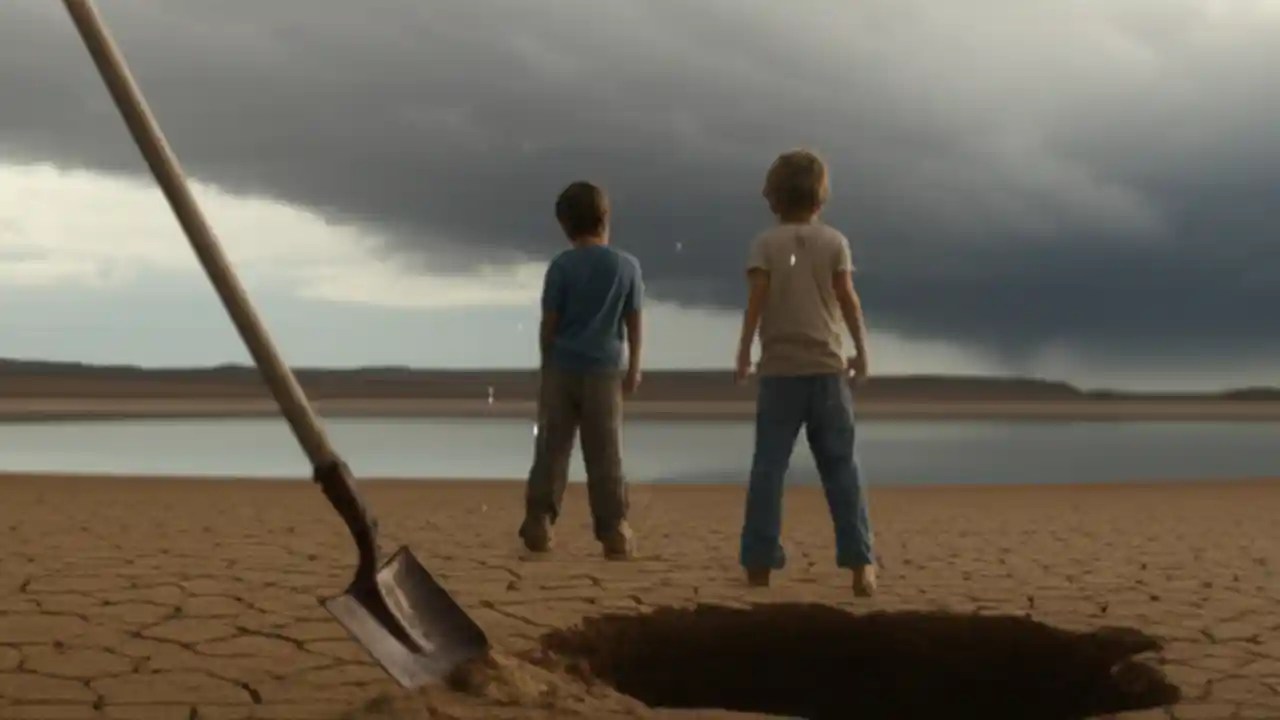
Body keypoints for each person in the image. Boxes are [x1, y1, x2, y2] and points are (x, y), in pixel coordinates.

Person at [734, 148, 878, 595]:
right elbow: (848, 298)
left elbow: (757, 301)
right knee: (841, 468)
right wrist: (862, 349)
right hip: (827, 370)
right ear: (820, 195)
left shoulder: (765, 244)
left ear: (774, 195)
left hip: (780, 371)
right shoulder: (834, 241)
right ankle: (861, 563)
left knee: (768, 468)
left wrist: (743, 350)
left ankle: (759, 561)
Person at [518, 180, 644, 560]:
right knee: (605, 454)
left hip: (562, 368)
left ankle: (540, 520)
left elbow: (549, 323)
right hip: (604, 371)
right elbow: (634, 322)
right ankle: (614, 528)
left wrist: (546, 365)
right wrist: (635, 366)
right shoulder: (627, 266)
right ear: (605, 217)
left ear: (565, 225)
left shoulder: (561, 266)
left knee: (552, 450)